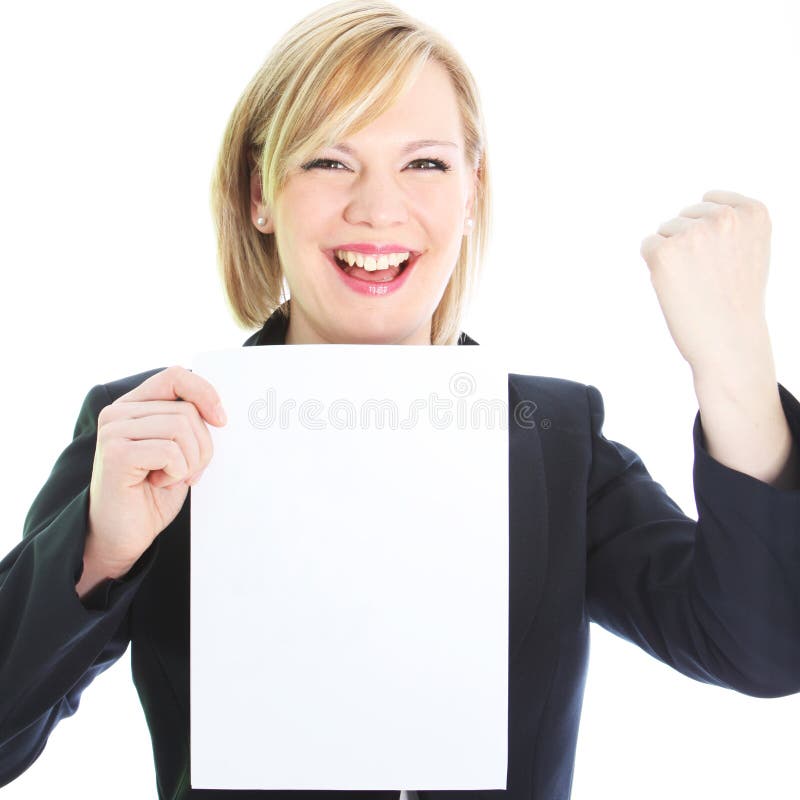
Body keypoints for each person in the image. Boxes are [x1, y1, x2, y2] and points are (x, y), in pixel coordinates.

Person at [1, 1, 799, 798]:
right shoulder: (151, 438)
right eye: (328, 160)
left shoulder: (555, 444)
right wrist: (97, 551)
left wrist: (736, 363)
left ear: (472, 192)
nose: (379, 210)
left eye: (425, 164)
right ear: (258, 194)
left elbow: (761, 649)